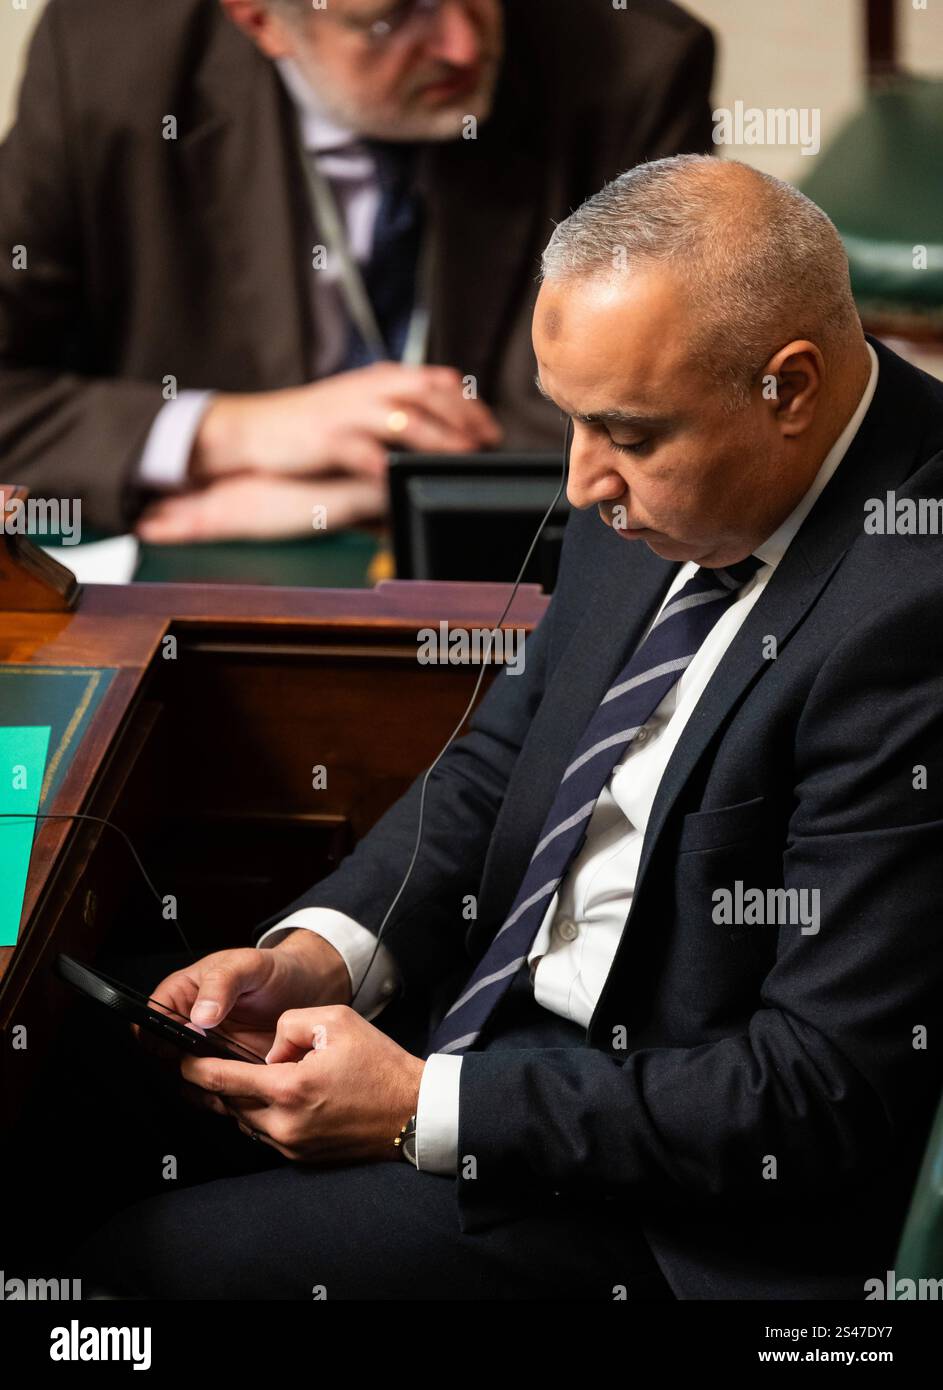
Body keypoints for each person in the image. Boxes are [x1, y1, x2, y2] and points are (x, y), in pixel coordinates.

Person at [76, 156, 943, 1300]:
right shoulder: (658, 471)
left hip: (679, 1214)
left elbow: (816, 1094)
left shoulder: (912, 609)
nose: (581, 480)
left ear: (787, 387)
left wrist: (420, 1109)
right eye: (572, 419)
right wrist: (320, 958)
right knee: (62, 1083)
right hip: (489, 1035)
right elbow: (504, 759)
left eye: (624, 436)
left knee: (127, 1279)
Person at [0, 0, 714, 541]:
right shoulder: (103, 63)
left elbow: (660, 393)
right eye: (389, 18)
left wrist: (372, 490)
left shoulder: (634, 63)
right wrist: (225, 433)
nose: (463, 44)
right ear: (259, 20)